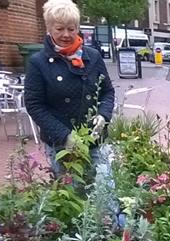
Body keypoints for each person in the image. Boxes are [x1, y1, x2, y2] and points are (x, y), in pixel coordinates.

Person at [25, 0, 115, 179]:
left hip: (94, 140)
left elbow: (107, 91)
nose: (66, 35)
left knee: (104, 192)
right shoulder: (38, 63)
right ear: (49, 28)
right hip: (61, 144)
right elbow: (34, 105)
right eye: (60, 29)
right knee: (72, 197)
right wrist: (65, 136)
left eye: (71, 29)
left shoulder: (93, 57)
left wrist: (103, 116)